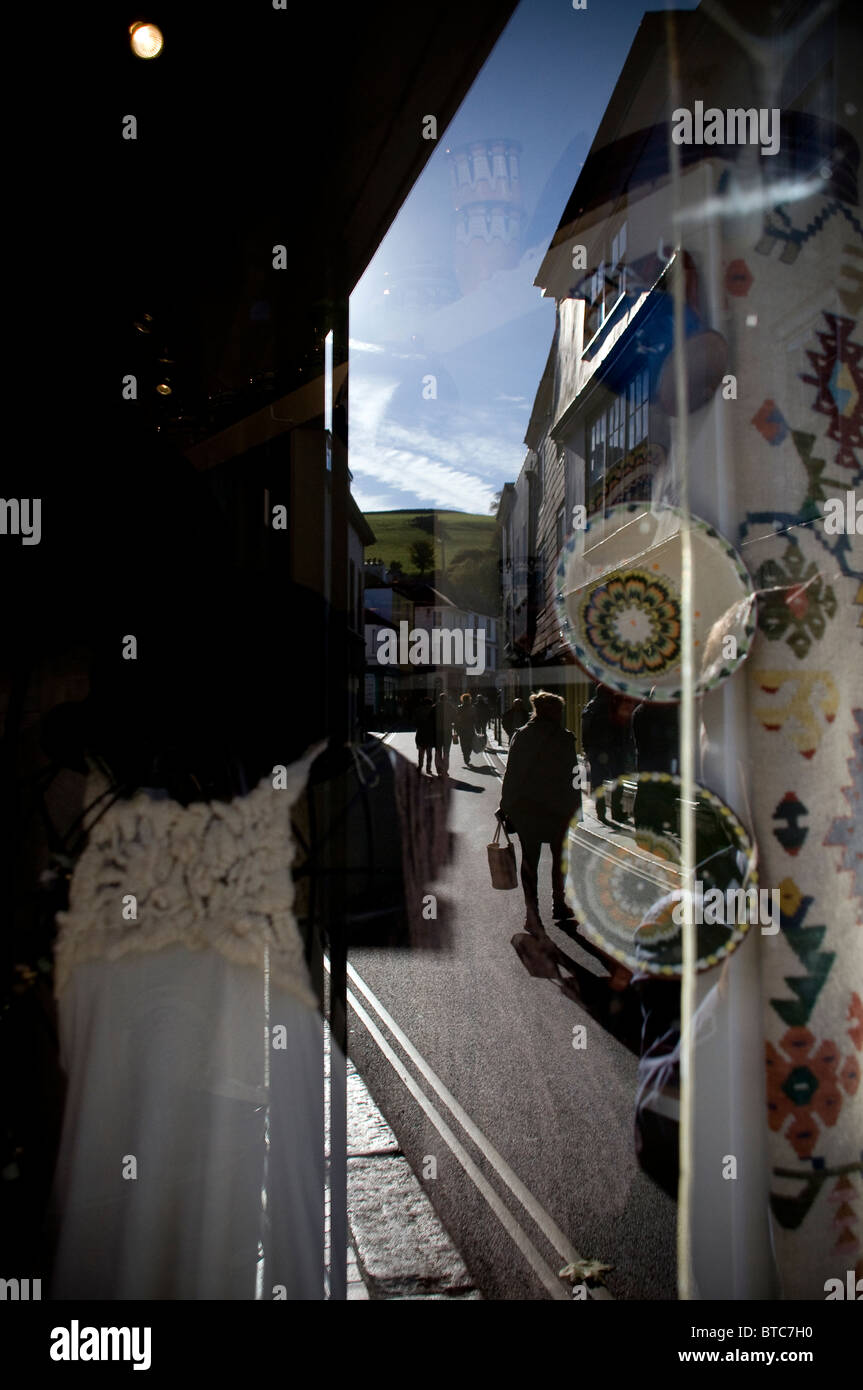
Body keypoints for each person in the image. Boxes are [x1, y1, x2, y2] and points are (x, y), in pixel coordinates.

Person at [498, 691, 581, 934]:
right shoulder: (565, 738)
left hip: (527, 810)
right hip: (559, 810)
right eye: (559, 711)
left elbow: (512, 774)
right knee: (559, 859)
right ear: (552, 712)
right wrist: (576, 811)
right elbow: (574, 778)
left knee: (530, 861)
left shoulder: (522, 736)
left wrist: (506, 805)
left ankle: (532, 914)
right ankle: (558, 904)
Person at [580, 684, 636, 824]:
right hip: (613, 750)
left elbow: (585, 730)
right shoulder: (611, 706)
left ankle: (601, 812)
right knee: (618, 780)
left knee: (598, 782)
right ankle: (617, 812)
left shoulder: (590, 707)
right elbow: (621, 728)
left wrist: (587, 749)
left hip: (595, 750)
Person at [433, 691, 454, 777]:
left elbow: (430, 720)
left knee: (438, 752)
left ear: (439, 699)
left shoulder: (435, 707)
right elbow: (455, 719)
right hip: (447, 733)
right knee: (446, 752)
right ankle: (445, 770)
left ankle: (438, 770)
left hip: (437, 733)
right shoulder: (450, 707)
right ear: (446, 699)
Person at [454, 692, 477, 768]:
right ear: (469, 700)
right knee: (470, 744)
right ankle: (467, 756)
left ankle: (465, 756)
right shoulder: (472, 708)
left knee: (463, 744)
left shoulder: (459, 708)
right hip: (470, 728)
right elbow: (475, 719)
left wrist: (456, 729)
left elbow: (456, 720)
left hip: (461, 729)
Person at [414, 695, 436, 774]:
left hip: (420, 734)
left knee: (421, 752)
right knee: (429, 753)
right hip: (430, 735)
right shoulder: (433, 711)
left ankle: (420, 766)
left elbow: (415, 723)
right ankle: (428, 768)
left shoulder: (418, 710)